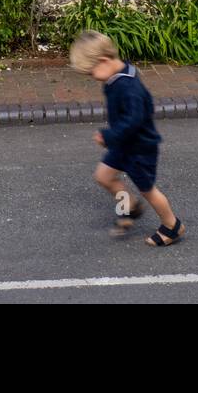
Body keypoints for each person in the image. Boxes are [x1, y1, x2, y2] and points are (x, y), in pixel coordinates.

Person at [69, 30, 184, 246]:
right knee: (104, 176)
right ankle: (129, 207)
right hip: (124, 143)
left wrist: (109, 135)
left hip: (140, 146)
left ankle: (172, 225)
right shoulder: (119, 74)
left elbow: (134, 120)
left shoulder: (128, 88)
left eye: (91, 73)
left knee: (148, 189)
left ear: (103, 61)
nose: (92, 78)